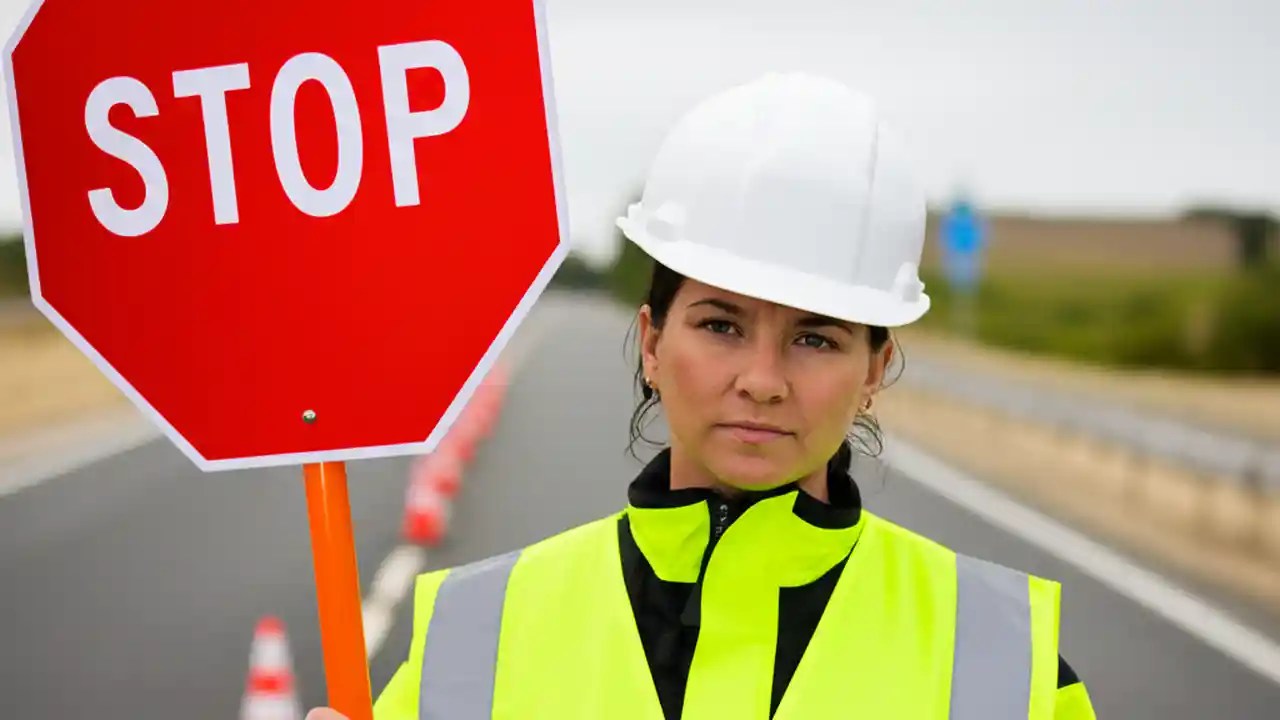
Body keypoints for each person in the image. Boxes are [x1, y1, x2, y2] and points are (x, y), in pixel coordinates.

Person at [308, 73, 1098, 719]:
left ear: (873, 371)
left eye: (815, 338)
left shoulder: (1005, 662)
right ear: (652, 343)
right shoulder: (476, 635)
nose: (761, 378)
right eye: (722, 325)